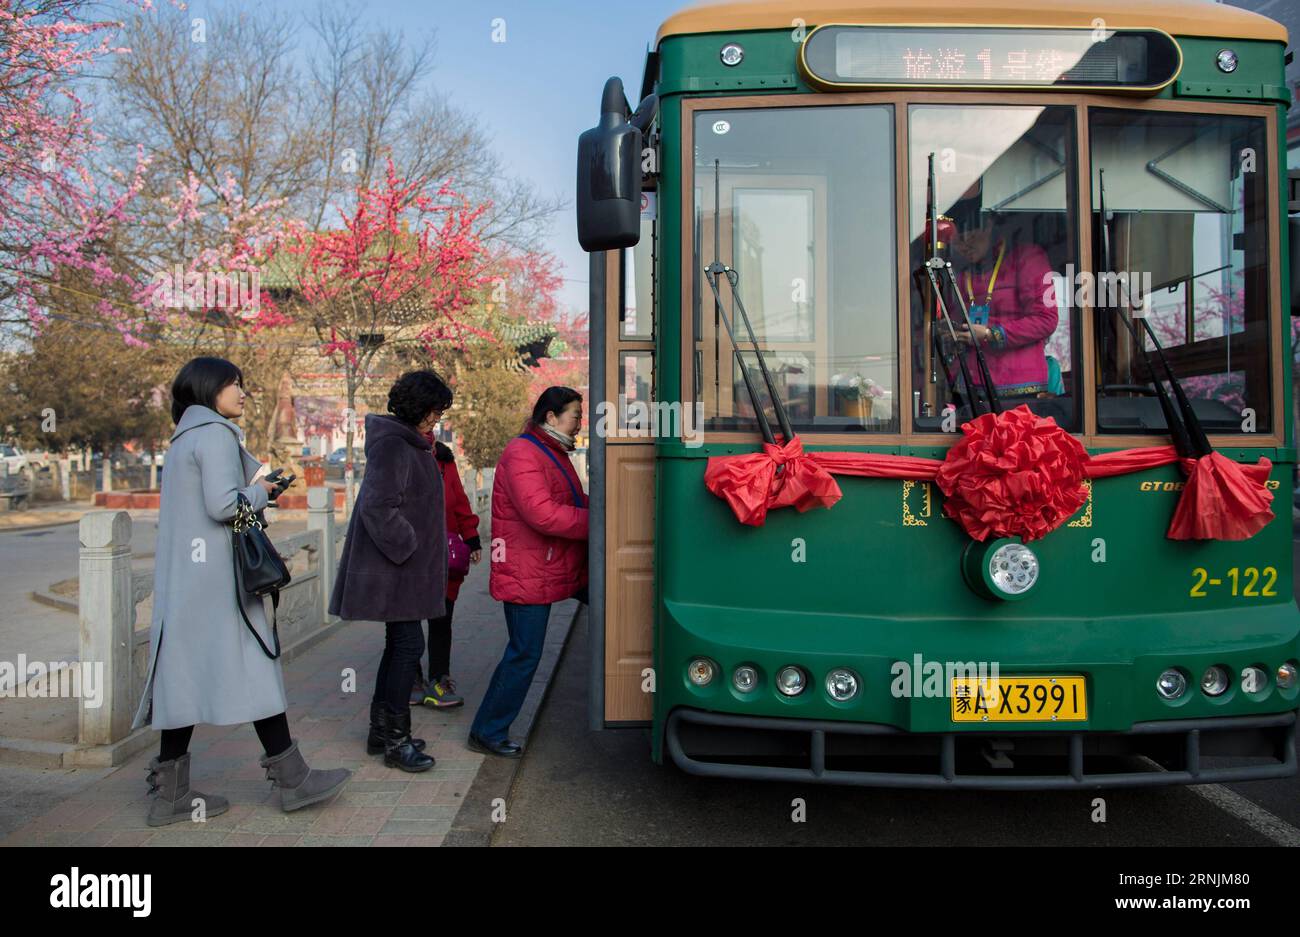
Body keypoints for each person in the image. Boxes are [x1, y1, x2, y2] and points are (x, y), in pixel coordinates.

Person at [132, 357, 351, 825]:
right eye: (234, 384)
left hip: (188, 587)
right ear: (208, 387)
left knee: (183, 679)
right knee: (256, 665)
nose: (242, 392)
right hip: (221, 584)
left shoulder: (184, 438)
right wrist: (262, 493)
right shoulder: (214, 434)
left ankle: (170, 795)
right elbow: (222, 505)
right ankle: (293, 780)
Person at [329, 370, 450, 772]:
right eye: (434, 410)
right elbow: (378, 506)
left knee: (400, 647)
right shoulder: (395, 444)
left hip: (404, 572)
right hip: (398, 570)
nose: (437, 417)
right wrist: (409, 546)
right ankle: (396, 741)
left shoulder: (410, 442)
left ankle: (382, 732)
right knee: (408, 648)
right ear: (418, 407)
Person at [468, 387, 589, 757]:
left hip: (551, 563)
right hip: (527, 570)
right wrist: (600, 522)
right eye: (575, 415)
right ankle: (487, 732)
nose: (579, 423)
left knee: (619, 606)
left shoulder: (552, 450)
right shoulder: (523, 452)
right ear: (551, 417)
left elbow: (573, 501)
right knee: (525, 653)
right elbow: (543, 513)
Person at [950, 210, 1059, 399]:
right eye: (959, 241)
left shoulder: (1027, 257)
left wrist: (990, 334)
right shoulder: (962, 270)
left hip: (1018, 383)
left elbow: (1046, 319)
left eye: (972, 236)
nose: (966, 245)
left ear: (989, 226)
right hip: (970, 384)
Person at [411, 432, 482, 709]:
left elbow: (460, 501)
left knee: (442, 620)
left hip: (444, 556)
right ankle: (411, 679)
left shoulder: (445, 461)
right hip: (411, 557)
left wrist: (472, 538)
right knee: (409, 620)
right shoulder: (400, 457)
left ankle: (439, 680)